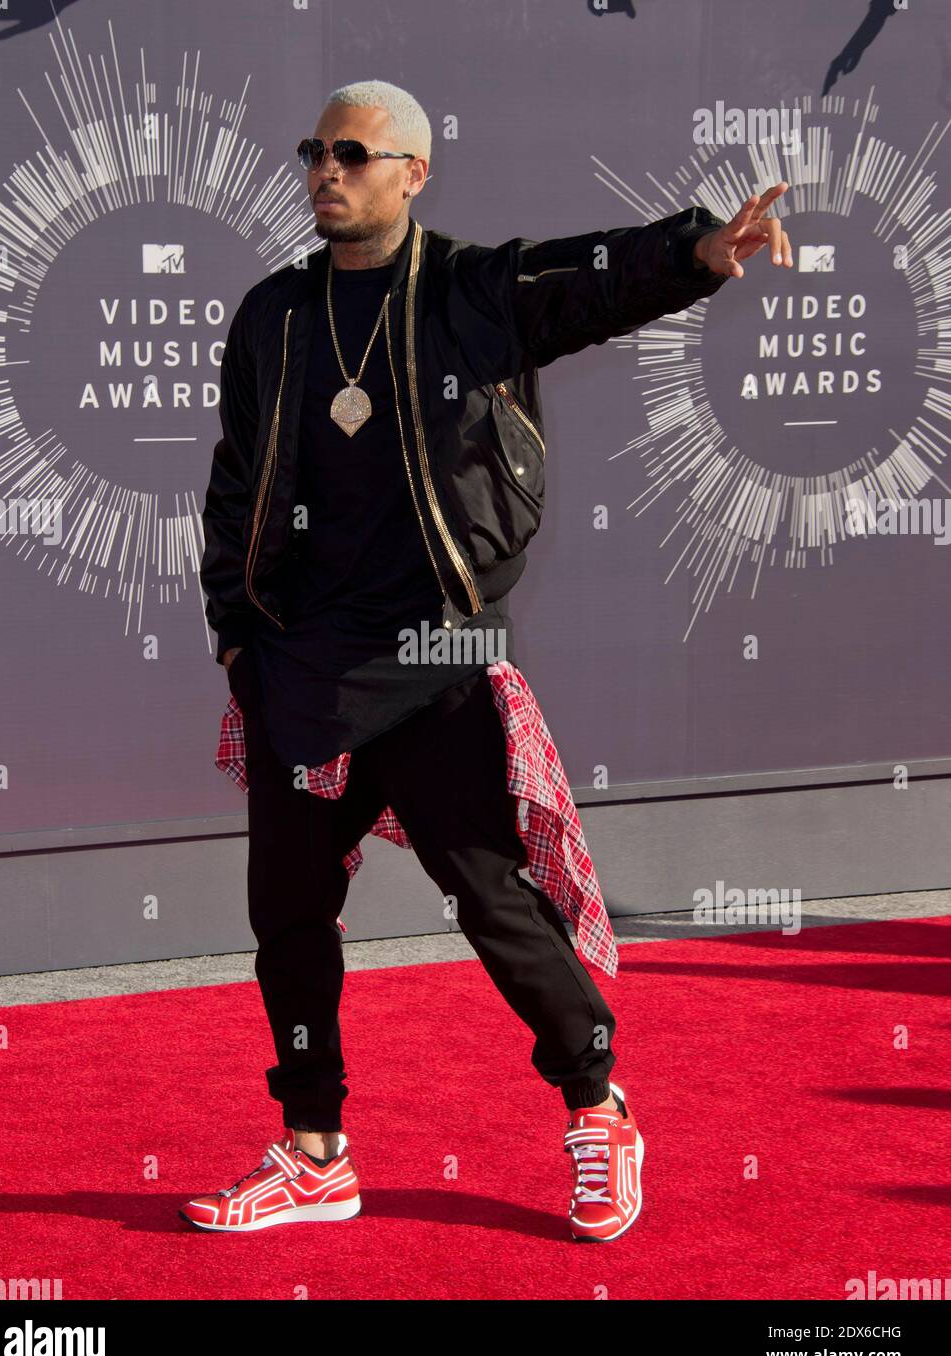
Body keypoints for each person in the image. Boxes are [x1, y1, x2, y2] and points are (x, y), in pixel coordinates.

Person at [184, 78, 792, 1242]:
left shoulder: (468, 292)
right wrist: (233, 625)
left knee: (495, 901)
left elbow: (595, 278)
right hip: (302, 667)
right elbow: (229, 483)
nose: (326, 168)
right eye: (315, 149)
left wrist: (701, 251)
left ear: (413, 172)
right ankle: (316, 1154)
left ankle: (597, 1107)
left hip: (434, 654)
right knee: (289, 919)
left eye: (353, 152)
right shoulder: (272, 313)